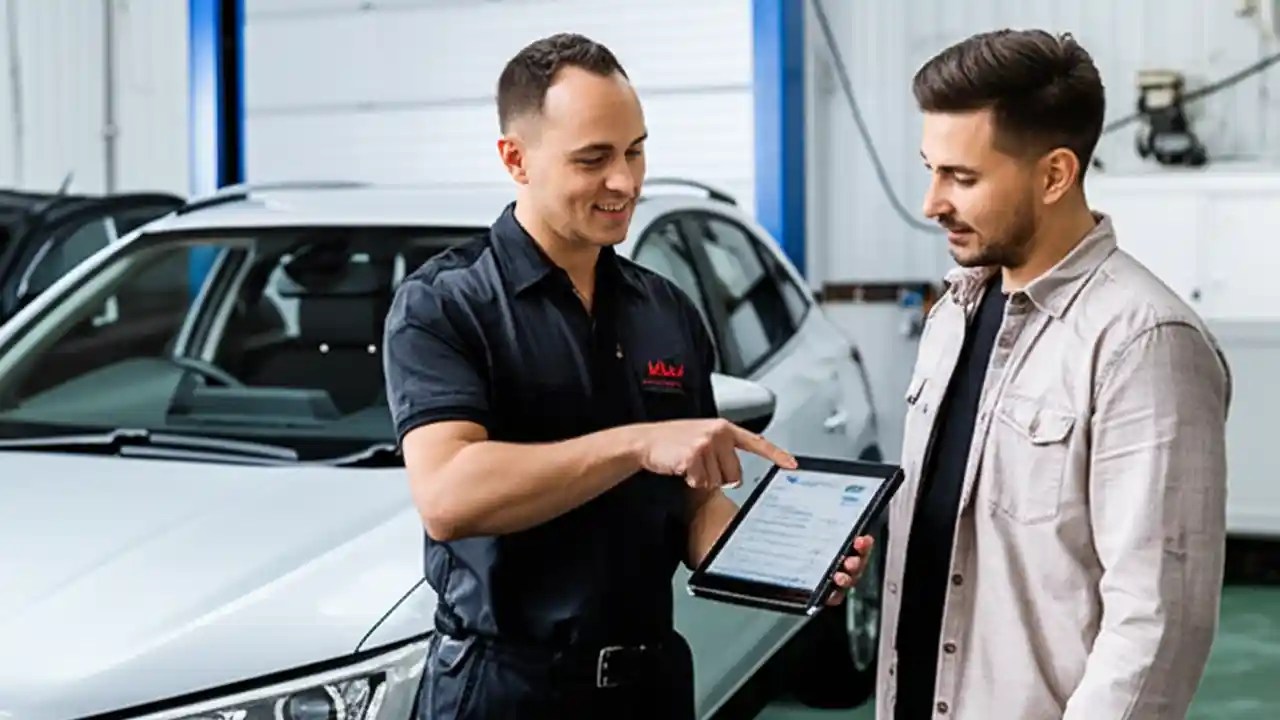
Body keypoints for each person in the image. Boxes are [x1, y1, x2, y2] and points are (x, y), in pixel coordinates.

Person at [383, 33, 872, 719]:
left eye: (635, 150)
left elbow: (693, 504)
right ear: (515, 159)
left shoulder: (665, 308)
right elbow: (448, 494)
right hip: (508, 689)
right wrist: (637, 443)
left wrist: (784, 564)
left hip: (651, 685)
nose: (627, 181)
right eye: (594, 159)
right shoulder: (446, 305)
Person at [876, 29, 1232, 720]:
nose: (931, 202)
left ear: (1054, 174)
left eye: (961, 177)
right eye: (931, 168)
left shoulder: (1143, 341)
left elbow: (1156, 625)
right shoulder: (955, 310)